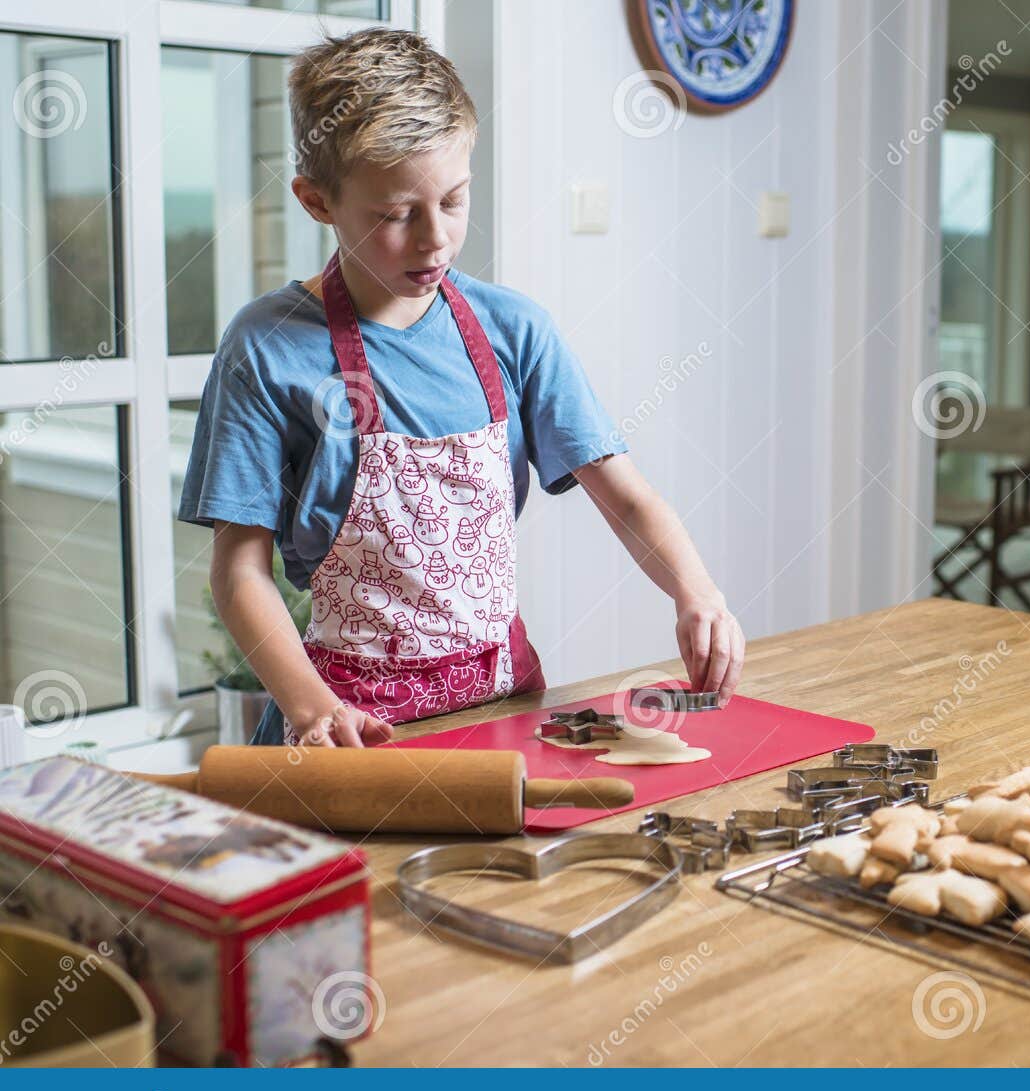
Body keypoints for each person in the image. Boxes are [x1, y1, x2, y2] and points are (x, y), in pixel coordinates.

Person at [179, 28, 743, 747]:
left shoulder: (514, 331)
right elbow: (239, 574)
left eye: (453, 200)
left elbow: (626, 496)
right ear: (317, 201)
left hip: (502, 711)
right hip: (347, 727)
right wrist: (312, 708)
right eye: (395, 214)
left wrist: (697, 593)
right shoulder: (265, 347)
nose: (434, 239)